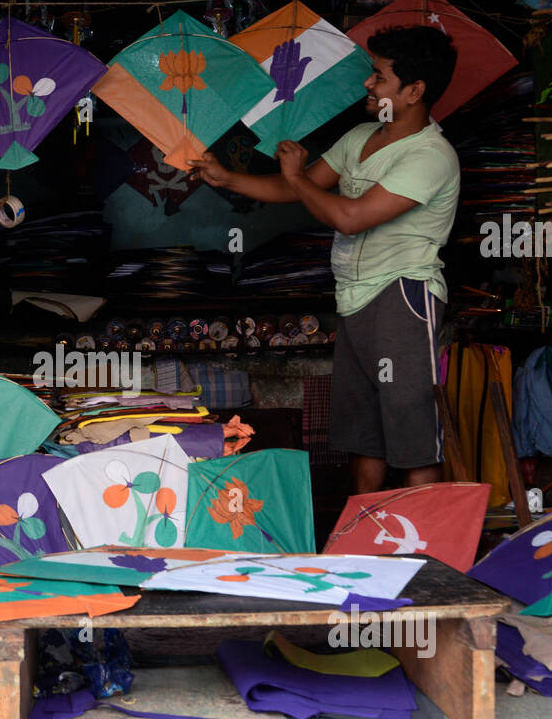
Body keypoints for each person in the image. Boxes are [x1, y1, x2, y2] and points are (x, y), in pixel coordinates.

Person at [190, 25, 460, 494]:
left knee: (414, 435)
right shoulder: (360, 137)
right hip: (355, 297)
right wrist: (228, 179)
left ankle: (425, 555)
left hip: (403, 295)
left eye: (379, 76)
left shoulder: (431, 156)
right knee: (364, 438)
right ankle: (360, 547)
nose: (368, 85)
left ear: (414, 91)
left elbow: (350, 217)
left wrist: (296, 179)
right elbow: (296, 188)